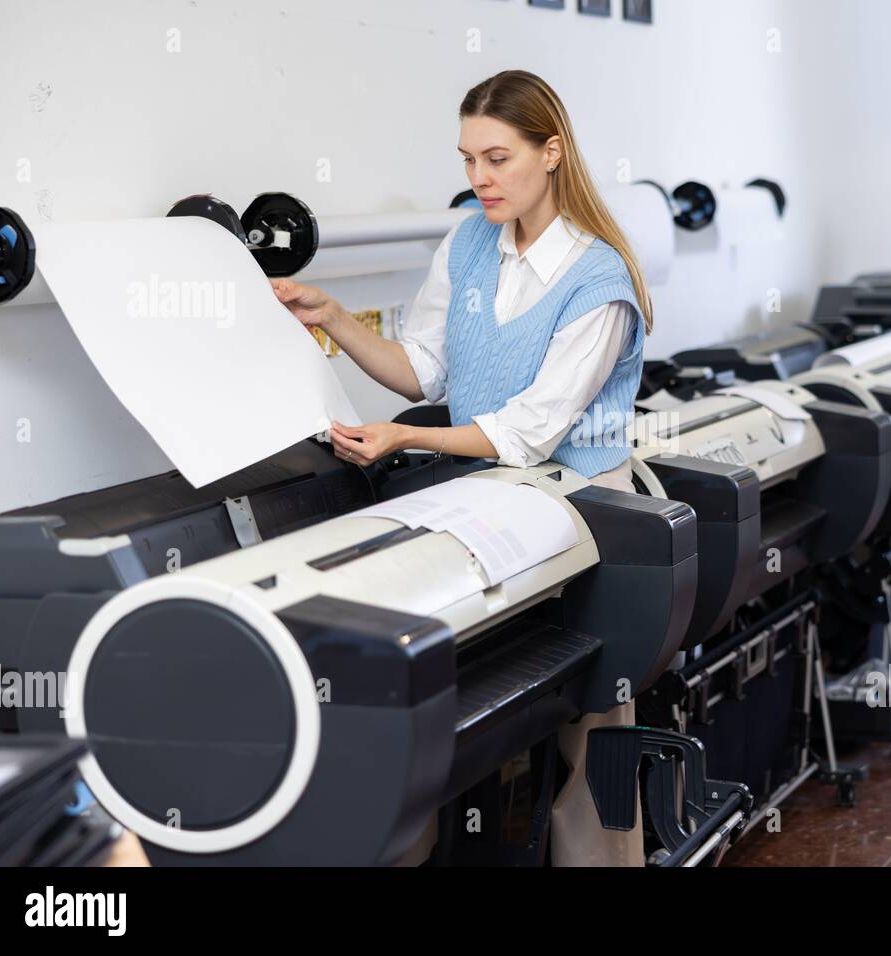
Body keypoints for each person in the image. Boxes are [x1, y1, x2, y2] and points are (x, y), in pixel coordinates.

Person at [272, 70, 652, 862]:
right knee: (450, 714)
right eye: (467, 158)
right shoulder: (470, 239)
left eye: (497, 157)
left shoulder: (600, 282)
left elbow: (529, 432)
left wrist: (406, 440)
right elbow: (423, 369)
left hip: (586, 514)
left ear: (552, 153)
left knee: (597, 735)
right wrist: (335, 318)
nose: (479, 178)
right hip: (488, 506)